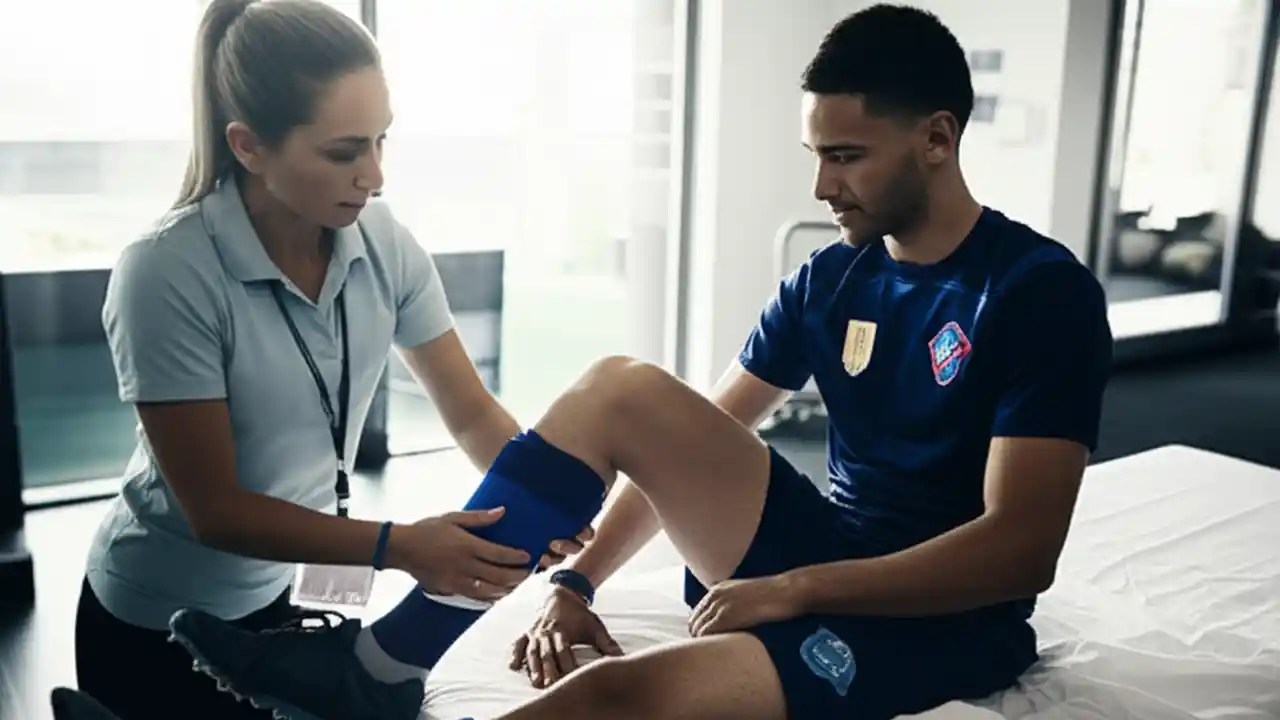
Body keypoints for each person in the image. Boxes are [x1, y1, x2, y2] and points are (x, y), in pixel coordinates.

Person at [165, 4, 1114, 720]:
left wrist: (797, 589)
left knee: (609, 701)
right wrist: (575, 583)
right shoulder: (833, 276)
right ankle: (388, 663)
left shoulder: (1037, 291)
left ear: (938, 139)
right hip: (823, 552)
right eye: (816, 154)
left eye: (848, 156)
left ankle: (374, 680)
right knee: (622, 387)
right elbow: (689, 439)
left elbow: (1017, 551)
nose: (822, 185)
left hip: (939, 620)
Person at [73, 2, 589, 719]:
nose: (374, 176)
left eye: (381, 142)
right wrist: (402, 547)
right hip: (157, 620)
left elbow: (470, 413)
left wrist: (539, 496)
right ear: (248, 146)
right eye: (344, 153)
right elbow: (216, 511)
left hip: (287, 593)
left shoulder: (384, 244)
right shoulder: (165, 271)